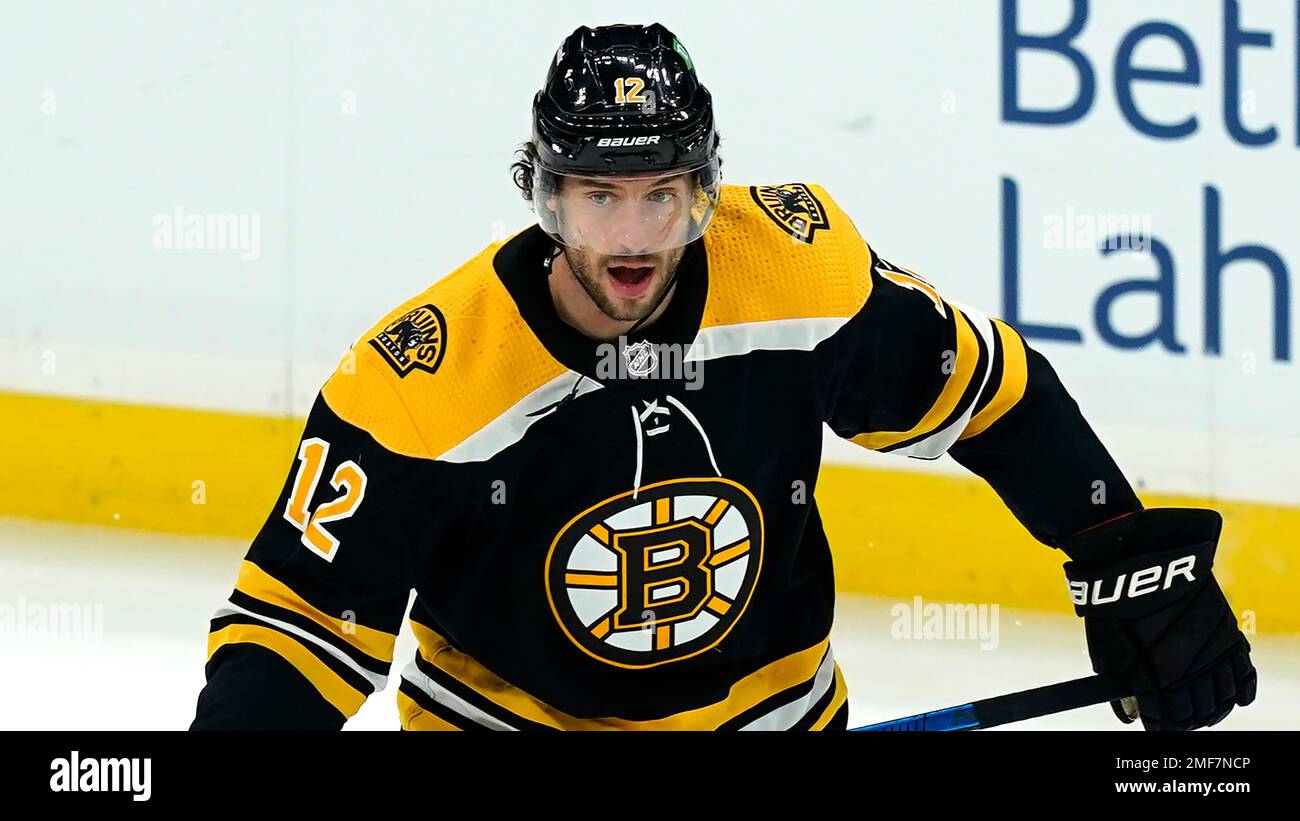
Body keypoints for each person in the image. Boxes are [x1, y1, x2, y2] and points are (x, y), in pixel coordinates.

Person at [192, 23, 1255, 731]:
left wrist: (1119, 550)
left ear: (708, 189)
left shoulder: (796, 271)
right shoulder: (424, 377)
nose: (632, 234)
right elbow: (300, 621)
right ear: (544, 196)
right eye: (599, 194)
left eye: (663, 193)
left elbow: (987, 391)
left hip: (773, 719)